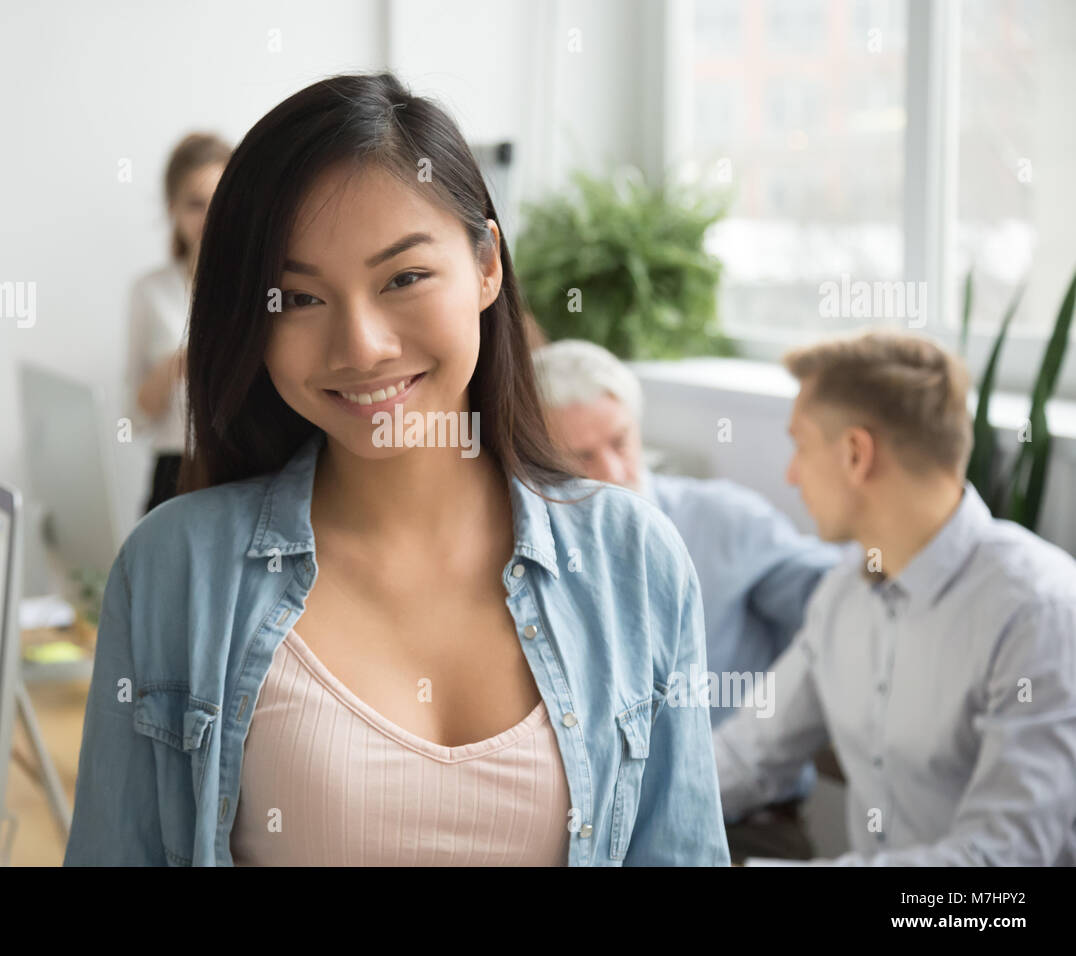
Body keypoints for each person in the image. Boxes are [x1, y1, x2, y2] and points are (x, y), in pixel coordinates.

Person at [65, 72, 729, 866]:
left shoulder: (635, 562)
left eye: (404, 278)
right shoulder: (176, 568)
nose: (361, 346)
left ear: (486, 266)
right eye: (299, 300)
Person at [714, 330, 1076, 865]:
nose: (791, 474)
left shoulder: (1039, 611)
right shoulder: (844, 590)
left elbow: (1002, 863)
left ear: (857, 453)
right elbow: (747, 756)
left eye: (801, 445)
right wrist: (601, 816)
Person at [532, 339, 840, 861]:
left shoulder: (725, 522)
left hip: (739, 826)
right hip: (591, 839)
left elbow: (843, 598)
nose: (610, 470)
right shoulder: (532, 562)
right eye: (580, 456)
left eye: (620, 441)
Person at [126, 131, 233, 514]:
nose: (209, 217)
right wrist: (182, 361)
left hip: (245, 470)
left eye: (218, 200)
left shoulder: (262, 286)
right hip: (175, 471)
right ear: (172, 208)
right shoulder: (149, 292)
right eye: (195, 204)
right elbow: (136, 412)